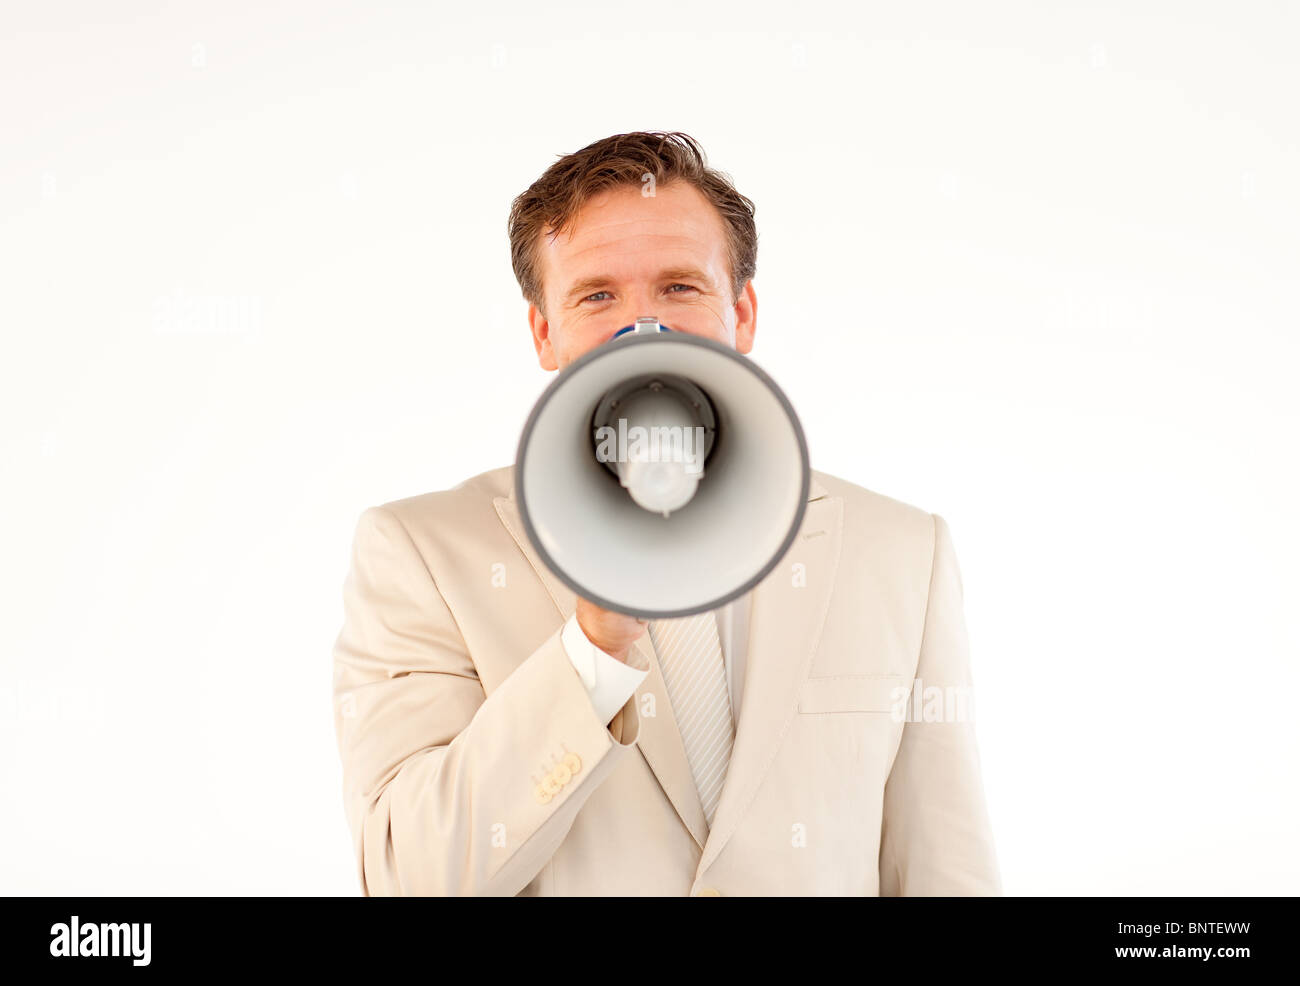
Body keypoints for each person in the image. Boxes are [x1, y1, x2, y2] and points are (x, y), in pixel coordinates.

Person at [331, 131, 1001, 896]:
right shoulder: (422, 552)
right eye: (597, 296)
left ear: (741, 314)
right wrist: (593, 649)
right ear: (544, 332)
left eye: (681, 287)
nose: (640, 327)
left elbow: (946, 870)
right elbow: (408, 876)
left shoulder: (902, 553)